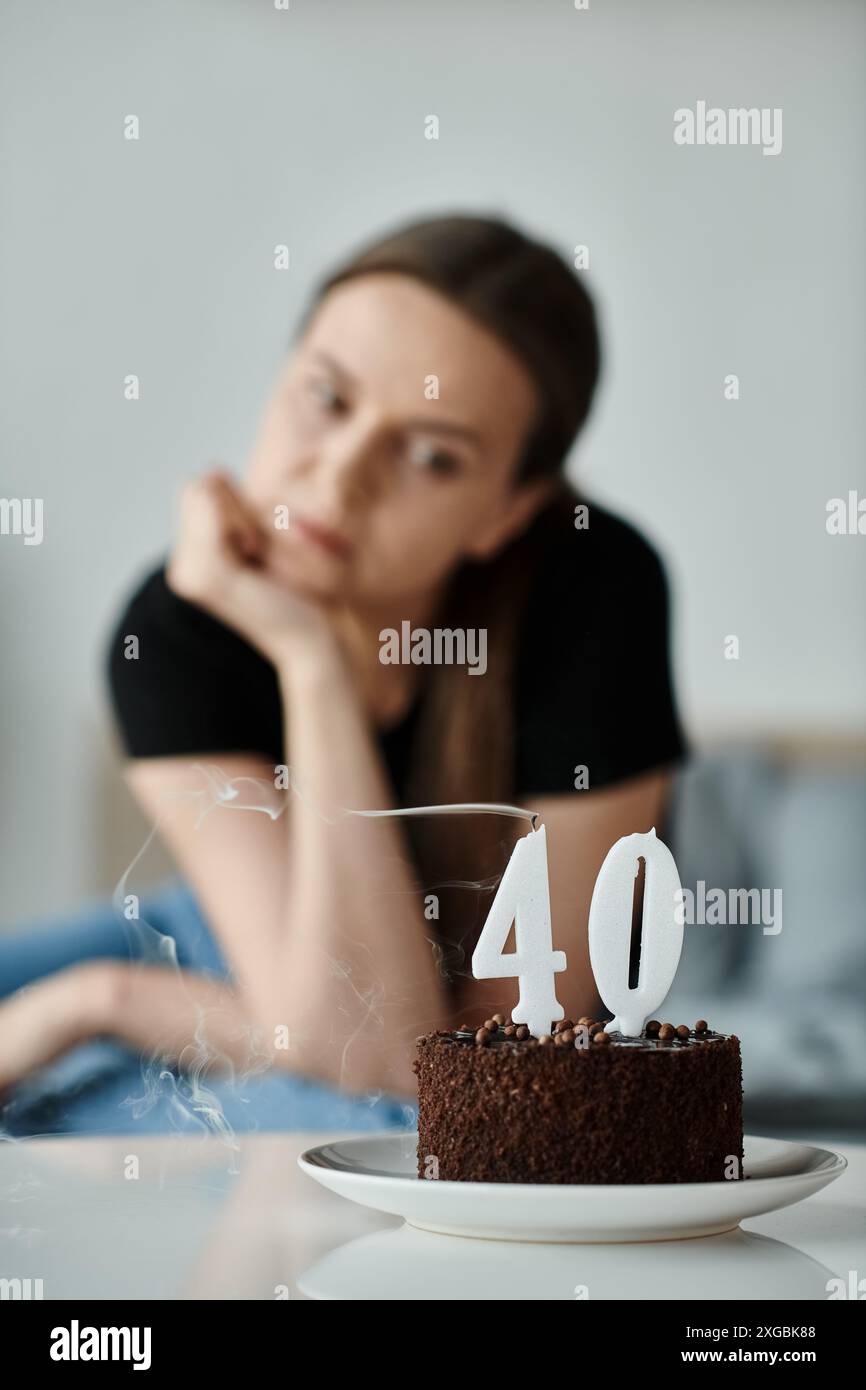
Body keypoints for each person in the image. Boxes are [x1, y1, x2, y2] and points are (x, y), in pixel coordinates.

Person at [0, 213, 687, 1136]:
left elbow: (454, 1072)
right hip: (221, 939)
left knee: (372, 1127)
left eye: (432, 455)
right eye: (327, 397)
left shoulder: (596, 594)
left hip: (387, 1032)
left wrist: (105, 1002)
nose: (338, 478)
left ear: (507, 511)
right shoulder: (176, 632)